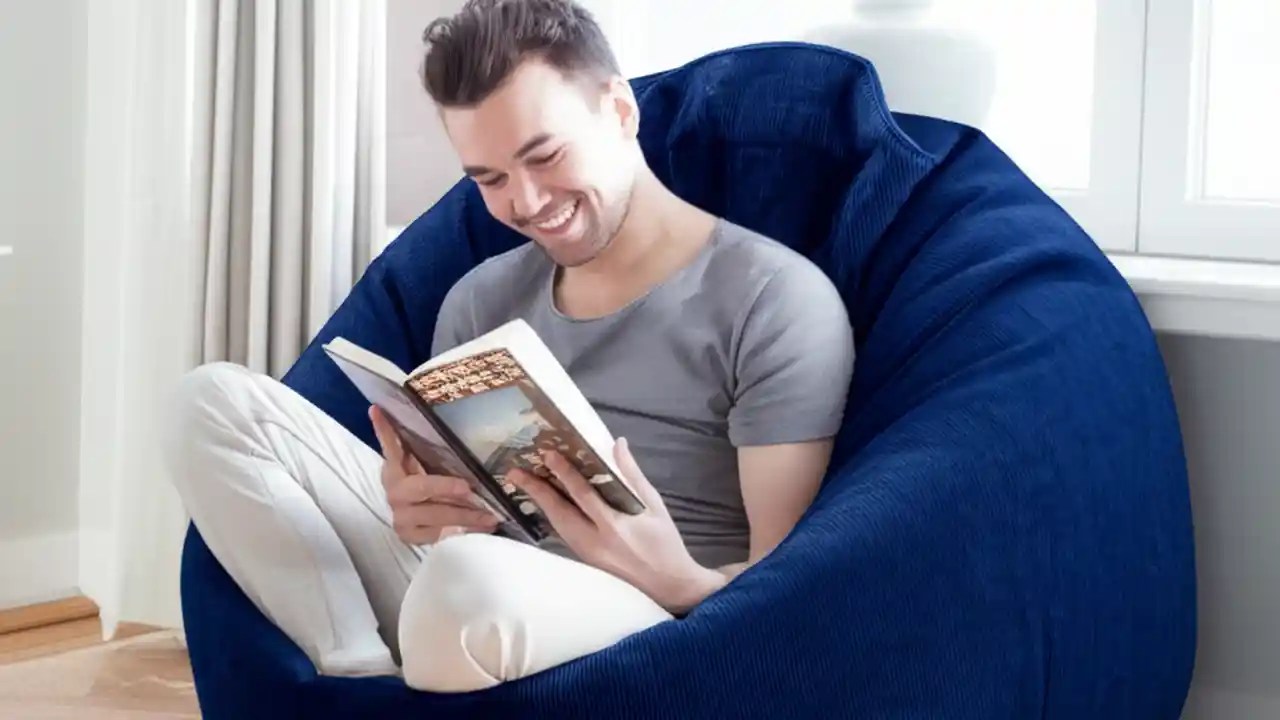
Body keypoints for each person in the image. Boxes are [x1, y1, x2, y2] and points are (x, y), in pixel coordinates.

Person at [164, 0, 855, 695]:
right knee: (213, 401)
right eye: (488, 179)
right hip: (469, 592)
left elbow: (786, 591)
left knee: (465, 586)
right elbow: (464, 541)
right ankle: (357, 680)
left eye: (544, 156)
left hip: (651, 612)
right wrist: (424, 515)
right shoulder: (480, 298)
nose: (523, 202)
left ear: (619, 111)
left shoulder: (773, 299)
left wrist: (674, 579)